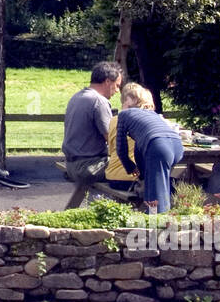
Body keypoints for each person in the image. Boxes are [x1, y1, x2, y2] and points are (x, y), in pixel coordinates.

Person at [114, 87, 184, 215]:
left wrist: (130, 167)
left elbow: (120, 148)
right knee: (160, 186)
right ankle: (165, 218)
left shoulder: (124, 115)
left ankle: (157, 226)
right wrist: (141, 172)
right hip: (177, 145)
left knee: (155, 195)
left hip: (158, 145)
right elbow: (139, 148)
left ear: (126, 104)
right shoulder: (153, 115)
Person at [61, 62, 123, 193]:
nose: (117, 91)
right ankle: (152, 210)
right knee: (138, 169)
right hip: (89, 167)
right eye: (117, 86)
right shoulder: (98, 101)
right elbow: (112, 139)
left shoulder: (77, 96)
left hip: (71, 165)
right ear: (107, 81)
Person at [104, 82, 153, 195]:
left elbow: (112, 150)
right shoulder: (144, 122)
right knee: (175, 185)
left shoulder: (113, 120)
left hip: (112, 175)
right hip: (132, 178)